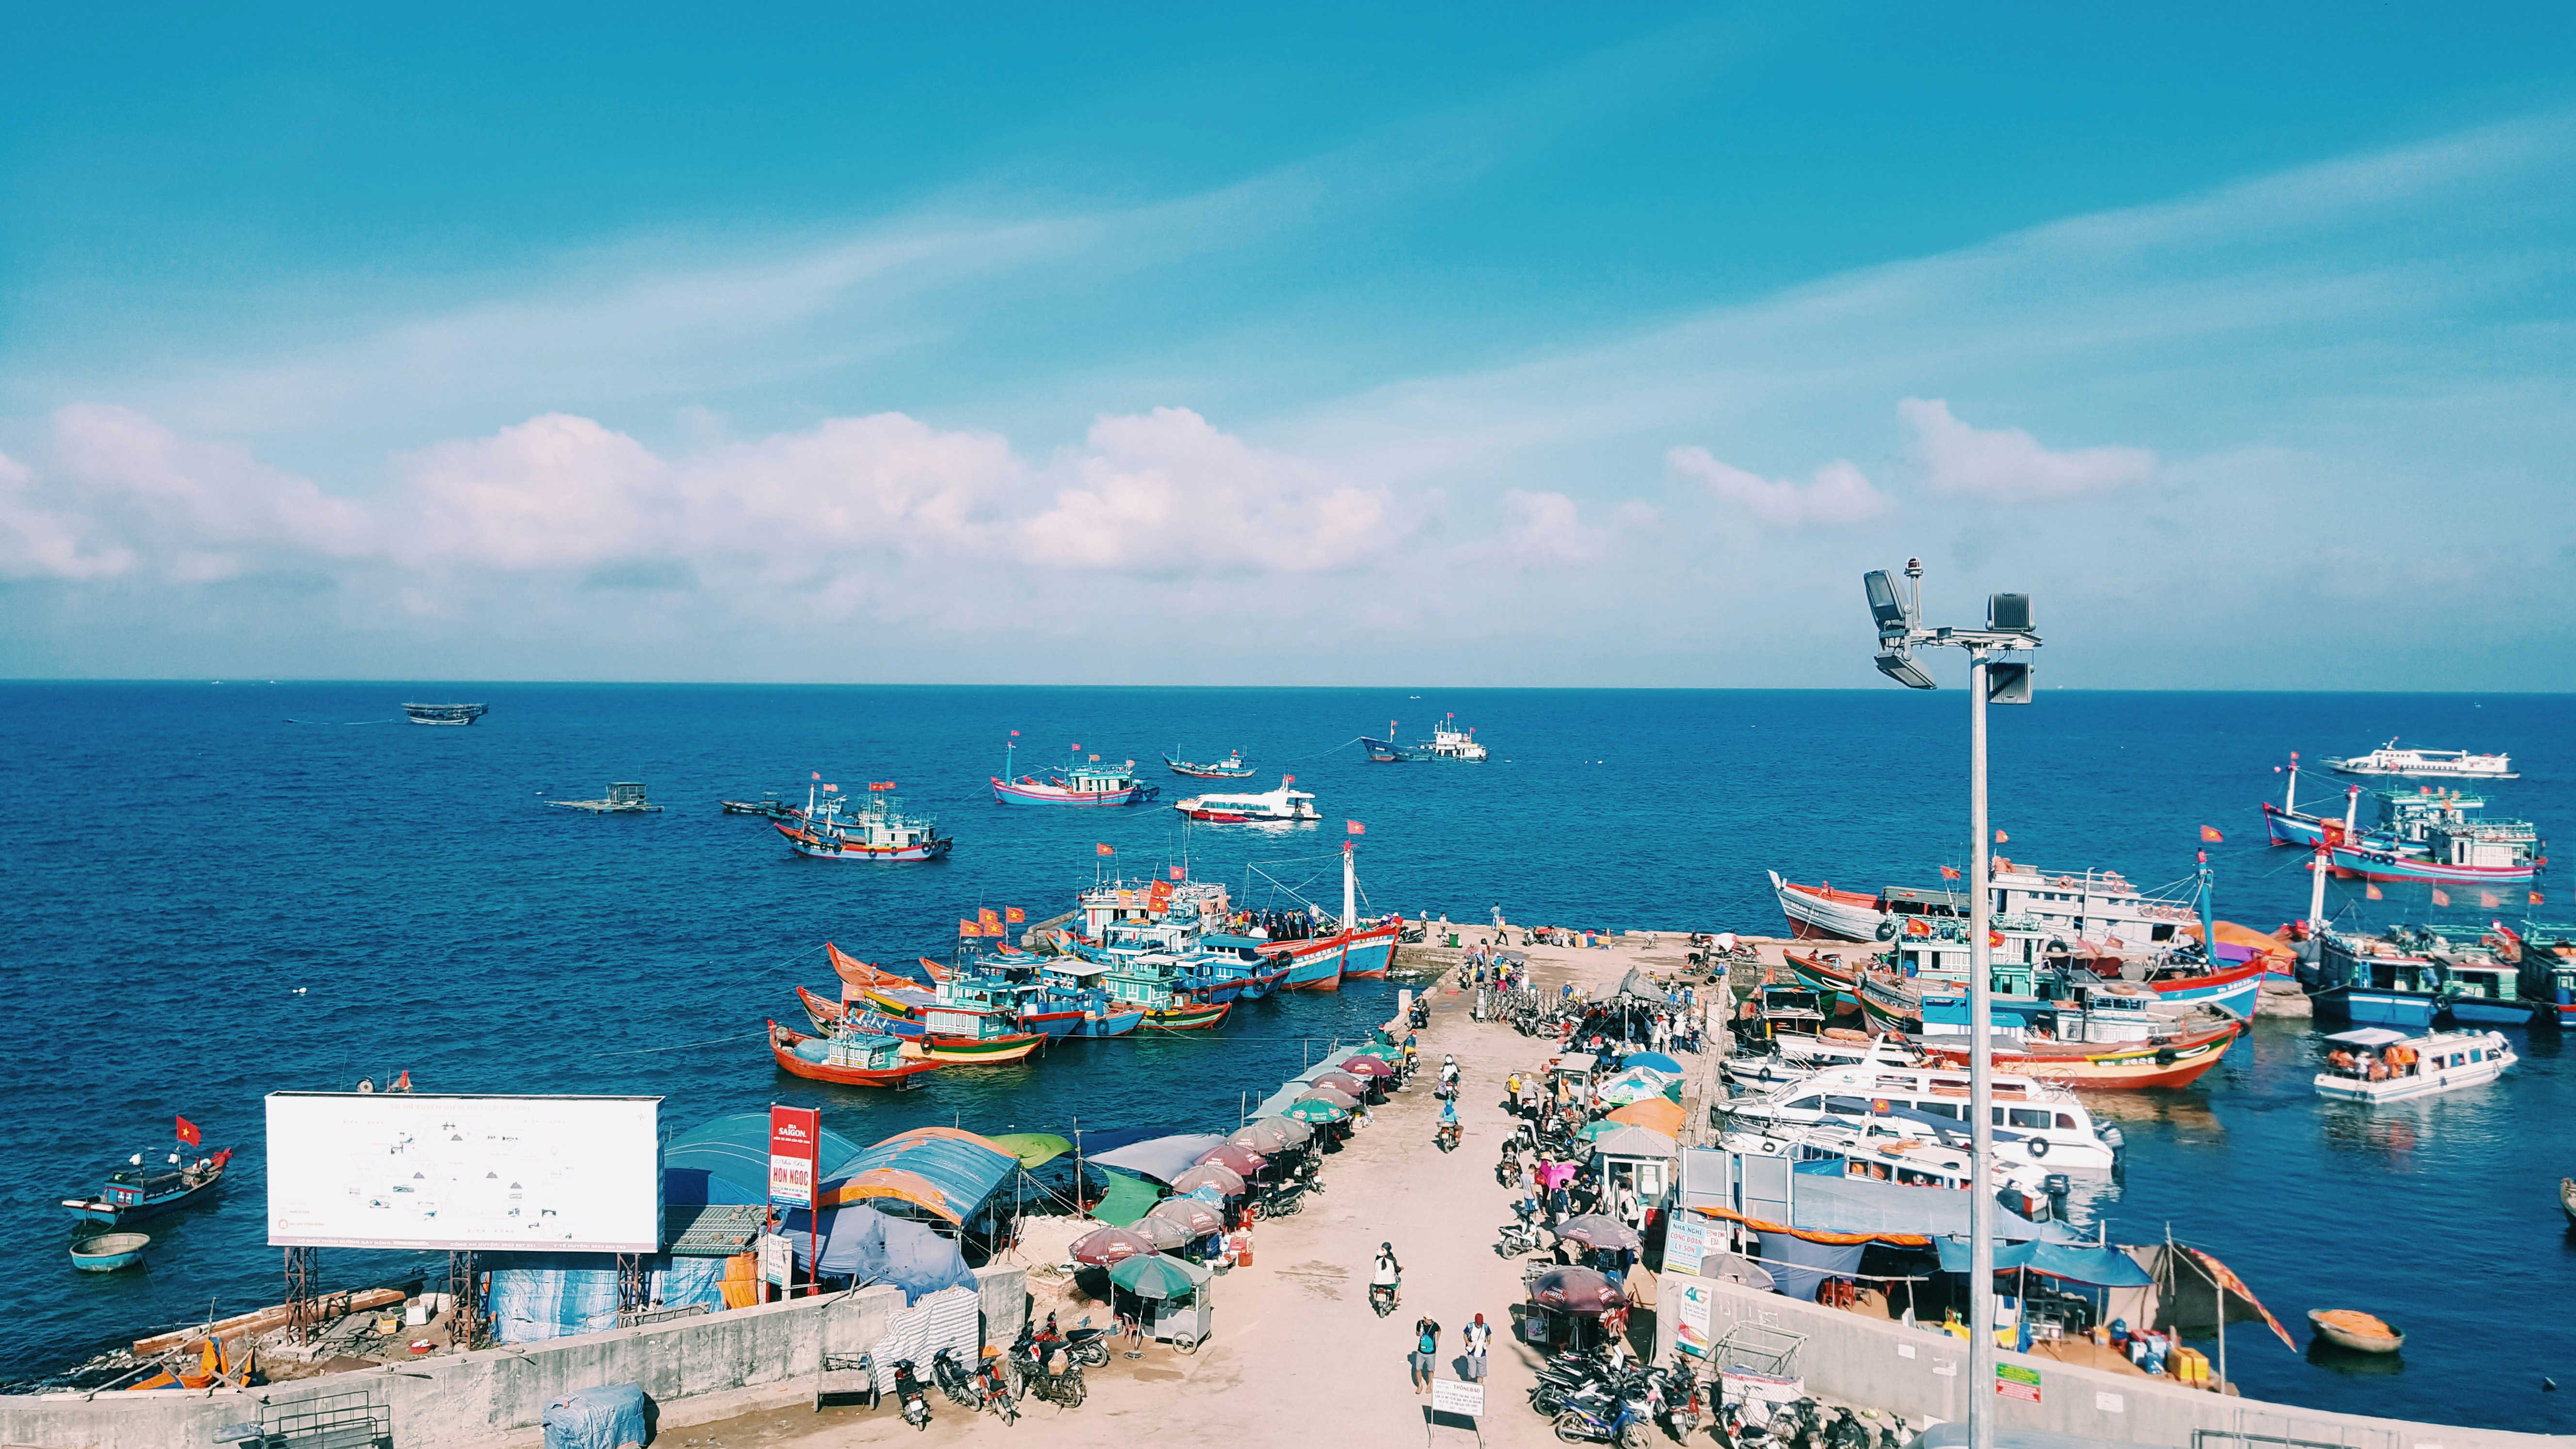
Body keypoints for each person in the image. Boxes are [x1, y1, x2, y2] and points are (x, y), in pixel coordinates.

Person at [1410, 1314, 1442, 1393]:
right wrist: (1419, 1333)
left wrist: (1437, 1341)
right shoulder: (1420, 1324)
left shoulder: (1434, 1325)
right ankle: (1420, 1385)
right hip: (1421, 1351)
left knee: (1431, 1370)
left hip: (1431, 1352)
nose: (1430, 1321)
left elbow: (1439, 1330)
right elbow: (1417, 1334)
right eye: (1429, 1320)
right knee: (1418, 1369)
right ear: (1424, 1319)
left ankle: (1429, 1386)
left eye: (1431, 1320)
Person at [1463, 1313, 1492, 1382]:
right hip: (1472, 1354)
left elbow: (1489, 1337)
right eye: (1478, 1324)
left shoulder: (1486, 1327)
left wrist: (1488, 1342)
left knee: (1481, 1375)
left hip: (1482, 1354)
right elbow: (1465, 1335)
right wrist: (1468, 1343)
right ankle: (1469, 1380)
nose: (1479, 1325)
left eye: (1480, 1324)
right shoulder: (1470, 1326)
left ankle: (1479, 1390)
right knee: (1472, 1375)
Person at [1372, 1241, 1402, 1308]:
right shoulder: (1391, 1260)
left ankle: (1375, 1298)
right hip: (1390, 1282)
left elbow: (1376, 1270)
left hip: (1378, 1282)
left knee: (1374, 1287)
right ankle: (1395, 1301)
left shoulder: (1377, 1261)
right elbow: (1395, 1271)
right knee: (1397, 1286)